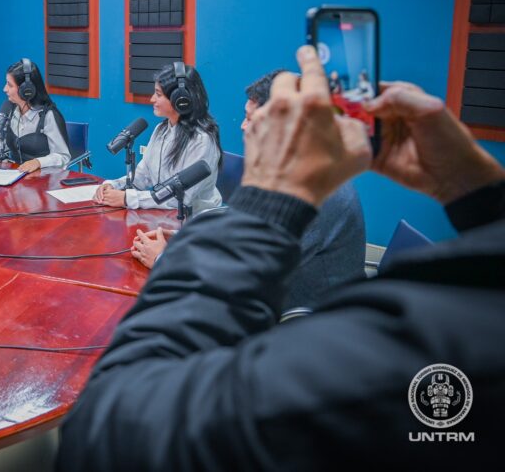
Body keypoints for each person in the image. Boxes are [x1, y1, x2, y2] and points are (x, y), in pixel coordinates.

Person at [57, 46, 505, 470]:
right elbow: (238, 227)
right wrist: (479, 195)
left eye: (256, 121)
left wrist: (179, 259)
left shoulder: (325, 201)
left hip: (291, 320)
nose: (246, 129)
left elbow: (112, 433)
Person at [130, 69, 366, 313]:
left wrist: (165, 261)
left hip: (308, 322)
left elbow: (243, 279)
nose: (243, 126)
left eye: (253, 119)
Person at [95, 62, 222, 214]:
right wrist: (114, 186)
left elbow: (181, 198)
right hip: (163, 215)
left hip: (193, 221)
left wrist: (127, 198)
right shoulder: (161, 130)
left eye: (158, 94)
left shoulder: (202, 140)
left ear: (181, 99)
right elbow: (143, 175)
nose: (152, 99)